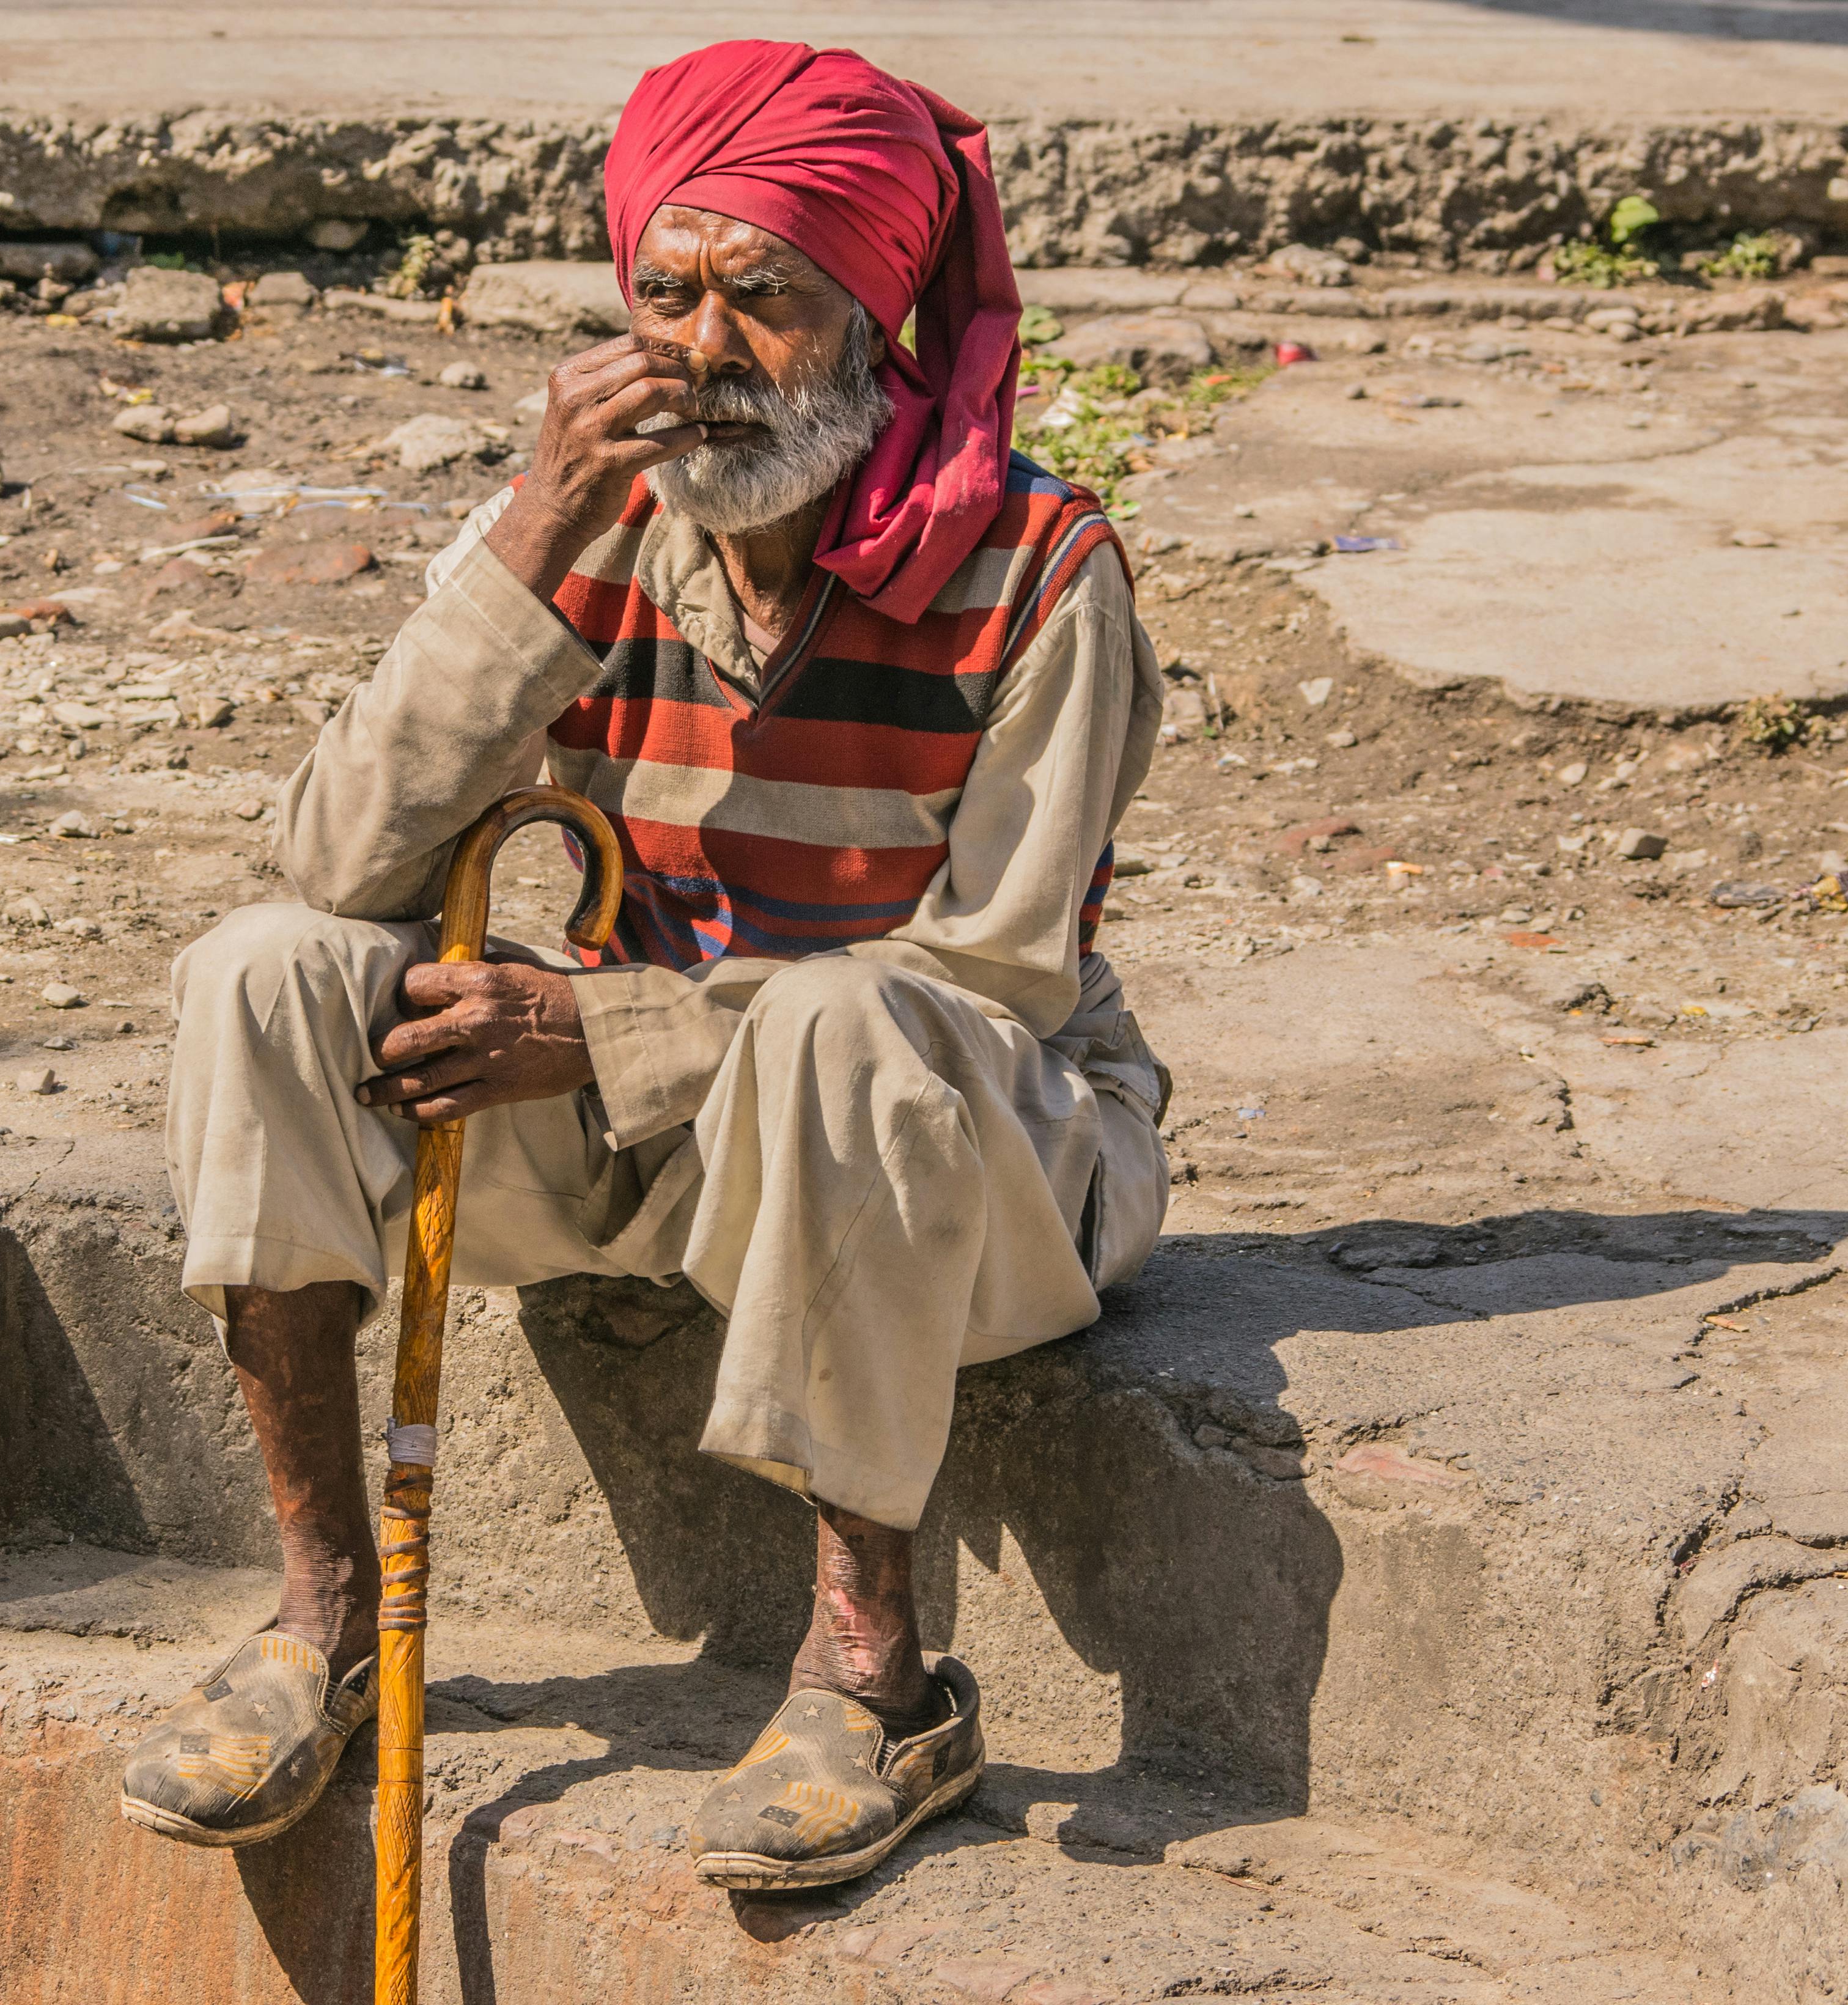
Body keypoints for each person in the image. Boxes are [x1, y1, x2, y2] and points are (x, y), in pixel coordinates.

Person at [118, 38, 1170, 1891]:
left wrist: (600, 1031)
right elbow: (340, 855)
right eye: (663, 297)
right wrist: (528, 537)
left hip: (980, 1160)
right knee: (263, 970)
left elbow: (992, 982)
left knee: (855, 1018)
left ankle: (877, 1677)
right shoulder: (579, 521)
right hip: (653, 1151)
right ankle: (318, 1619)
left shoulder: (1036, 567)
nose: (701, 354)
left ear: (871, 311)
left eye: (763, 301)